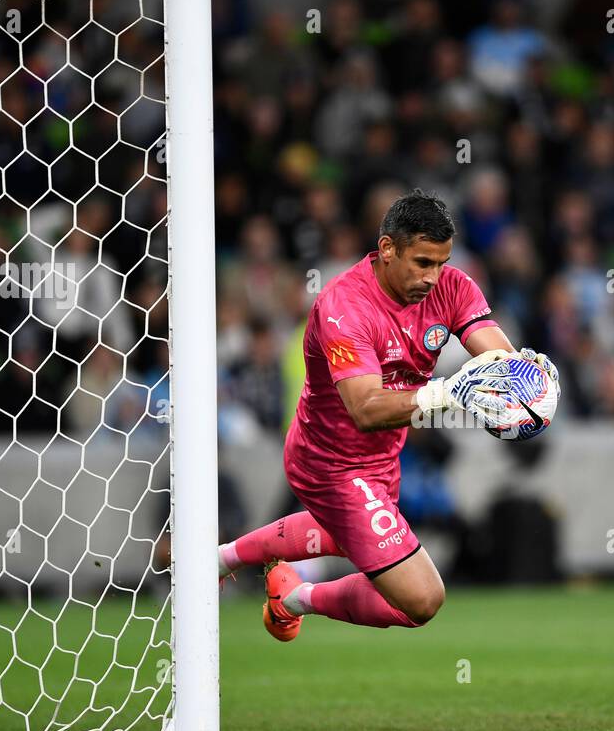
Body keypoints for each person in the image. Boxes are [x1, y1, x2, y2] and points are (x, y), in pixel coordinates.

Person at [216, 189, 556, 640]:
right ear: (387, 250)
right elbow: (366, 408)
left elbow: (495, 354)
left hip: (381, 459)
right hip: (328, 461)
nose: (433, 277)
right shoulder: (343, 308)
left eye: (441, 262)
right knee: (422, 599)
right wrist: (450, 392)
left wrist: (518, 380)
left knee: (340, 535)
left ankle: (222, 559)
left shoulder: (452, 287)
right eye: (422, 263)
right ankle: (296, 599)